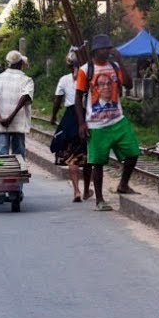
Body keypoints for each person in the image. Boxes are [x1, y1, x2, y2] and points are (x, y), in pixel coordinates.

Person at [75, 34, 139, 212]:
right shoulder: (85, 70)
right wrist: (81, 123)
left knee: (133, 152)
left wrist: (120, 61)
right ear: (96, 51)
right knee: (98, 163)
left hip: (118, 120)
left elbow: (128, 85)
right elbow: (78, 97)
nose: (108, 51)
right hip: (96, 125)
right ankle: (100, 200)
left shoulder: (114, 66)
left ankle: (123, 185)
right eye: (104, 48)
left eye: (109, 48)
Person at [50, 50, 92, 203]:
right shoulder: (88, 78)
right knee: (88, 156)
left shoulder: (63, 80)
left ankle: (76, 191)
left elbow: (57, 101)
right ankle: (87, 190)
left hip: (70, 118)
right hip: (86, 116)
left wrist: (53, 116)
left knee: (73, 157)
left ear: (68, 65)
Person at [0, 50, 34, 156]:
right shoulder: (27, 80)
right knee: (18, 155)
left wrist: (0, 117)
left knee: (1, 155)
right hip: (18, 123)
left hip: (0, 124)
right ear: (20, 63)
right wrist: (11, 116)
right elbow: (25, 97)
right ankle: (16, 173)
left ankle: (2, 173)